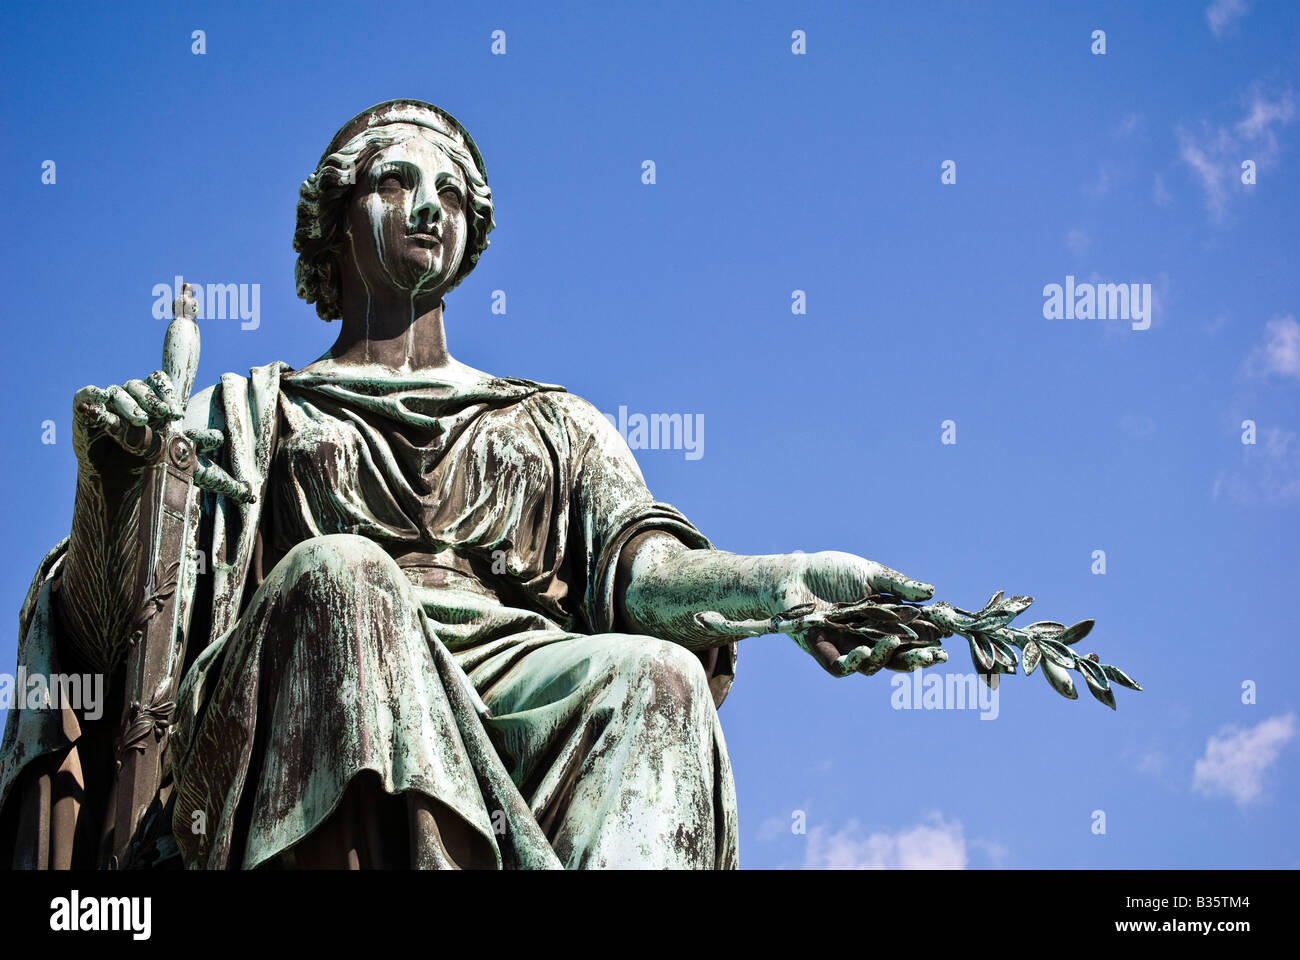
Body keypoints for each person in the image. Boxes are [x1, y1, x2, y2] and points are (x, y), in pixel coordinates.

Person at [0, 100, 945, 870]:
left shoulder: (556, 421)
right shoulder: (251, 412)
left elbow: (646, 579)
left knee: (657, 679)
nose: (427, 207)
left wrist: (789, 584)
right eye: (397, 181)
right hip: (310, 676)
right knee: (347, 576)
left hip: (520, 678)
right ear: (335, 218)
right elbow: (104, 629)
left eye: (451, 192)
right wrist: (111, 479)